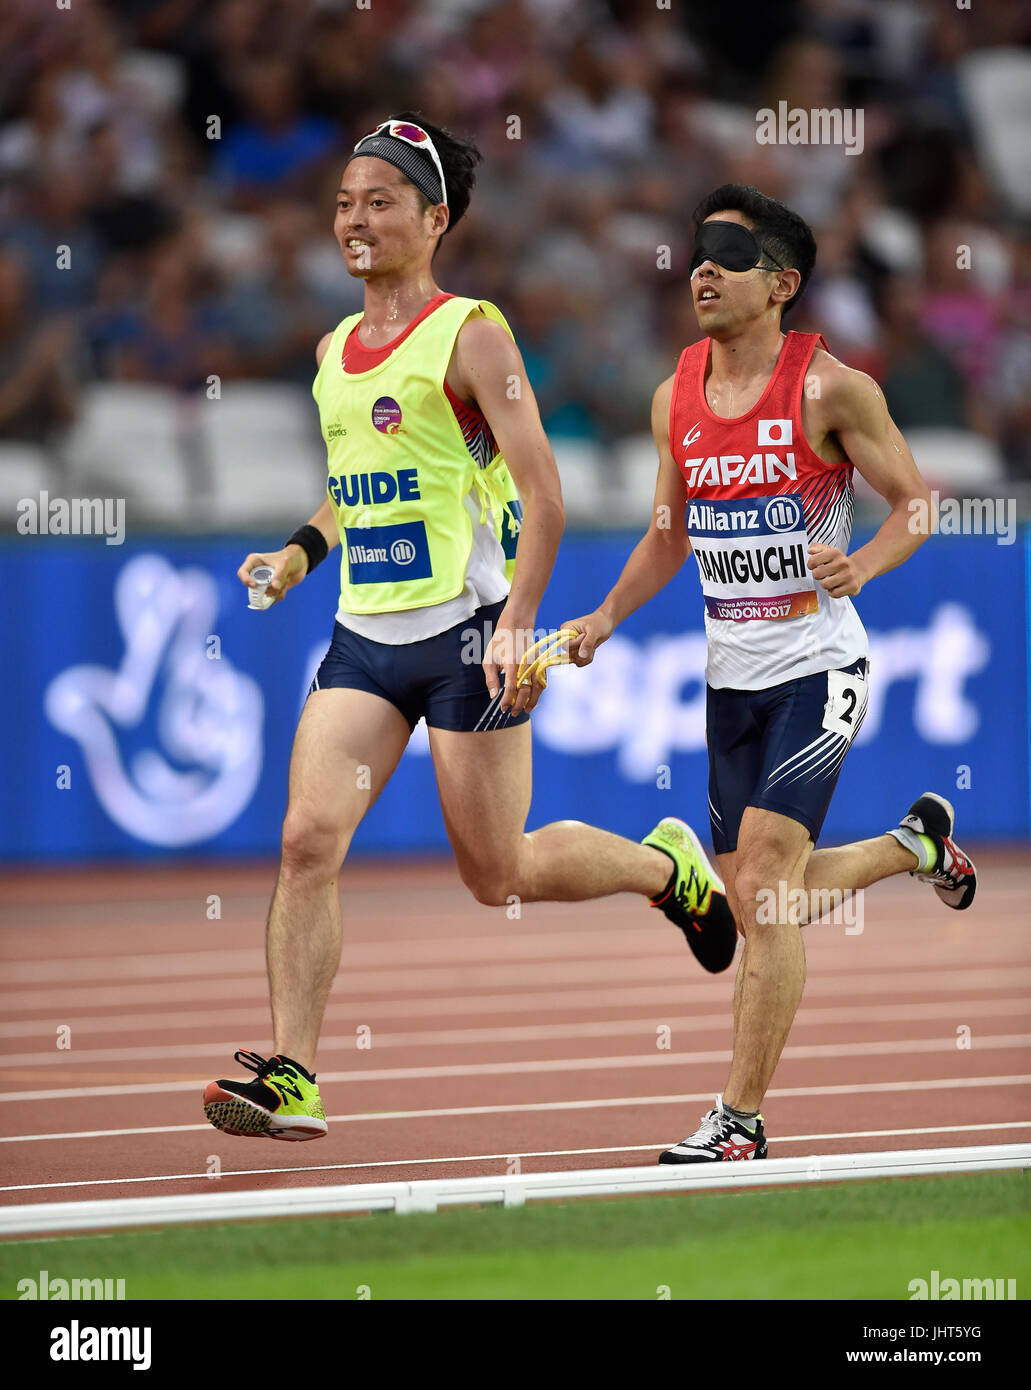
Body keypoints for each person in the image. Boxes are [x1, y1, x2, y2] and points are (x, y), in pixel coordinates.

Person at [203, 116, 738, 1142]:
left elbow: (544, 494)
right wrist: (295, 555)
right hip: (364, 637)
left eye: (381, 201)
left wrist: (517, 624)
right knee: (306, 839)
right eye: (345, 201)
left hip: (467, 633)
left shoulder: (471, 334)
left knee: (497, 875)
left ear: (434, 217)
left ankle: (664, 867)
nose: (356, 219)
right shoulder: (329, 353)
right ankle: (295, 1073)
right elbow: (353, 493)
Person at [563, 184, 977, 1164]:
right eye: (696, 253)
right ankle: (913, 849)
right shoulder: (675, 396)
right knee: (760, 894)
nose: (699, 269)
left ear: (781, 284)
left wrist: (860, 564)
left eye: (727, 255)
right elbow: (669, 532)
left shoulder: (830, 389)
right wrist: (605, 616)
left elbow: (917, 504)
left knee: (764, 885)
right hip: (729, 678)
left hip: (816, 665)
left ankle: (738, 1118)